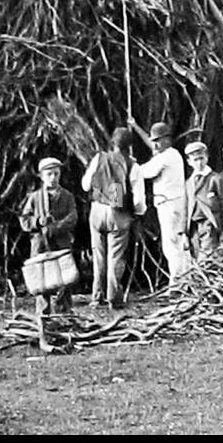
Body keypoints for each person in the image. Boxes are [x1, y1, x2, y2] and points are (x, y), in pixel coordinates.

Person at [81, 127, 145, 308]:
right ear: (130, 146)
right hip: (119, 213)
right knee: (116, 256)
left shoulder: (99, 158)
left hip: (97, 209)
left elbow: (86, 185)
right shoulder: (134, 165)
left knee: (99, 255)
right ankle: (113, 298)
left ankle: (96, 296)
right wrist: (138, 214)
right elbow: (139, 200)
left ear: (112, 142)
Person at [18, 157, 77, 313]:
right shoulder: (34, 197)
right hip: (40, 245)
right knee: (41, 281)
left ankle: (65, 315)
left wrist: (55, 227)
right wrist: (38, 222)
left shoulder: (67, 196)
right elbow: (24, 220)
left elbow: (72, 218)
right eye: (49, 174)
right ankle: (43, 317)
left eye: (56, 174)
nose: (53, 178)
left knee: (65, 280)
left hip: (61, 244)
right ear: (41, 176)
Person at [140, 121, 189, 281]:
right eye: (153, 141)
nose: (154, 145)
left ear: (167, 139)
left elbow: (146, 172)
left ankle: (177, 282)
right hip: (172, 202)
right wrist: (134, 125)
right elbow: (152, 148)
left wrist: (132, 165)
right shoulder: (171, 154)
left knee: (172, 245)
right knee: (178, 243)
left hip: (170, 204)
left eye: (157, 141)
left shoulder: (167, 156)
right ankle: (185, 279)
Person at [185, 141, 223, 261]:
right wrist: (184, 232)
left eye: (201, 158)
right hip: (194, 227)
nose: (199, 163)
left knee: (208, 258)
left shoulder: (215, 179)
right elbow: (185, 208)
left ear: (207, 157)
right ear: (189, 162)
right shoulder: (188, 183)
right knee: (195, 258)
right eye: (195, 160)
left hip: (210, 225)